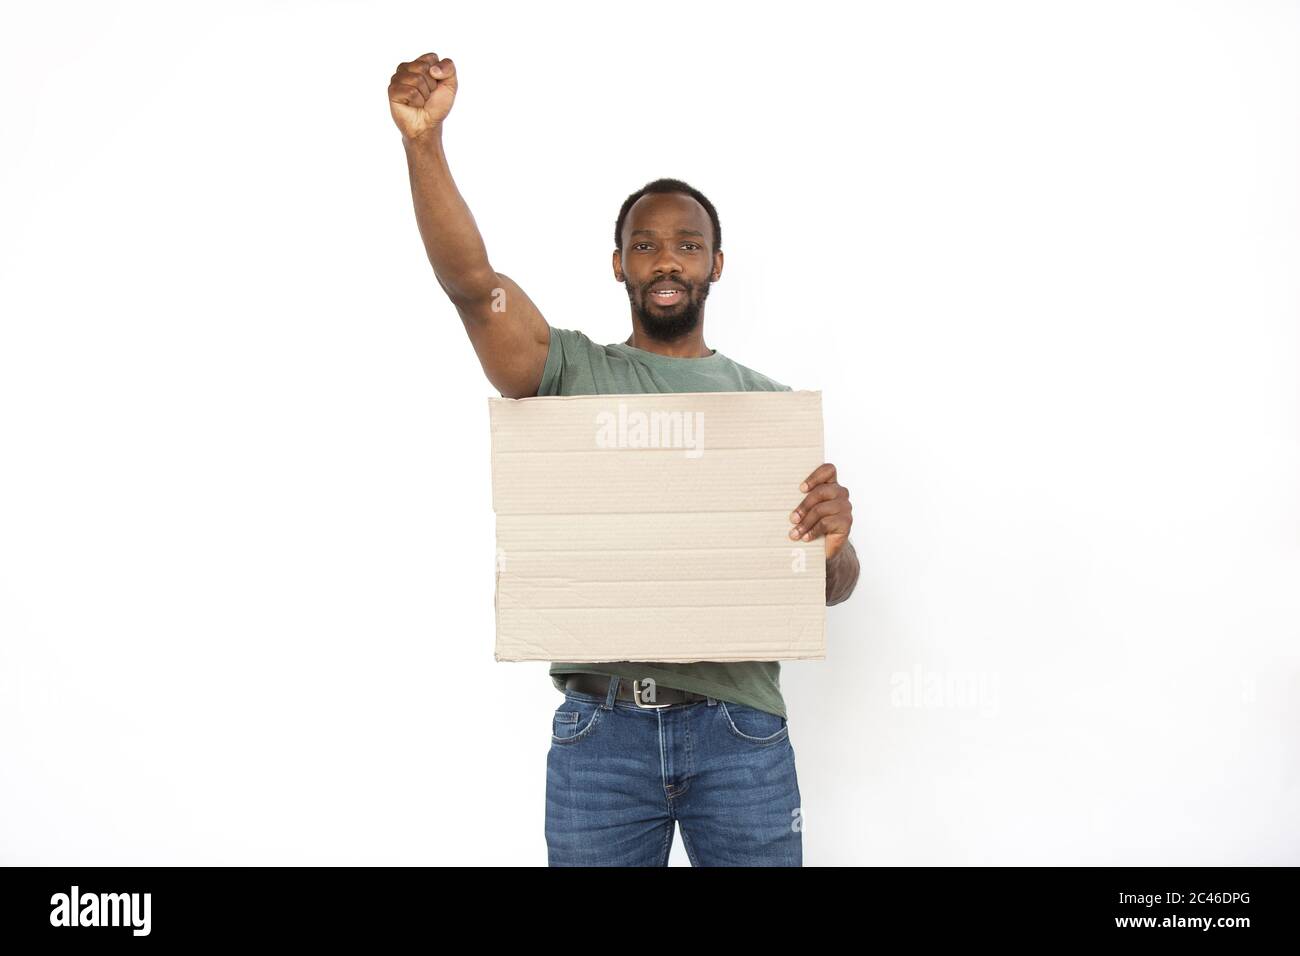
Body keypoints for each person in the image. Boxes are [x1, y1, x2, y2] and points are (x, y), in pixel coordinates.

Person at [389, 51, 861, 866]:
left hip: (738, 731)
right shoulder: (570, 372)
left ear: (716, 264)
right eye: (646, 246)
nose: (667, 260)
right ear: (620, 264)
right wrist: (423, 144)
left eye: (687, 245)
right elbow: (473, 287)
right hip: (600, 732)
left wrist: (836, 543)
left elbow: (831, 585)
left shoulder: (767, 407)